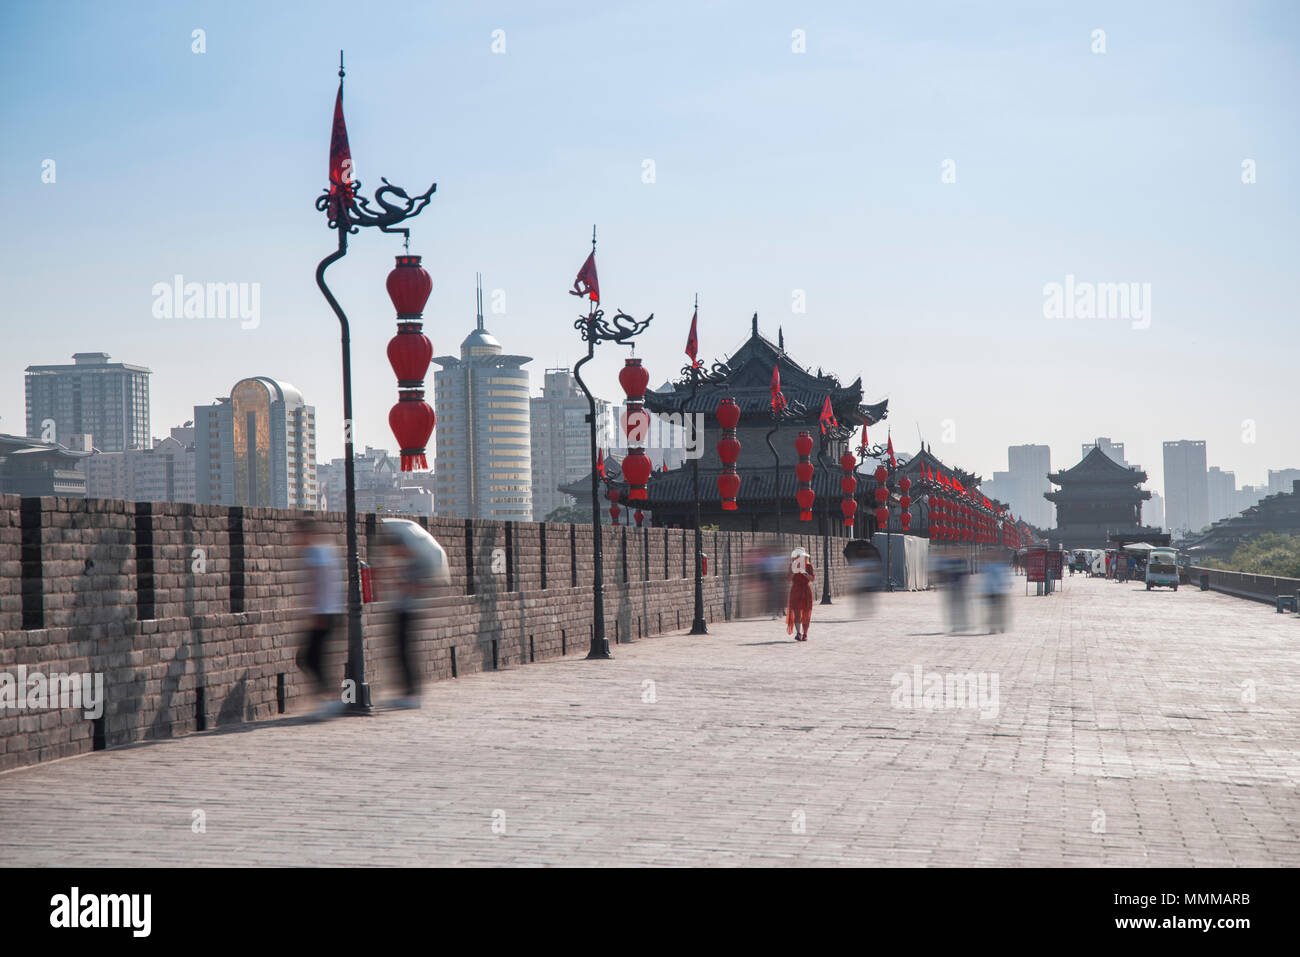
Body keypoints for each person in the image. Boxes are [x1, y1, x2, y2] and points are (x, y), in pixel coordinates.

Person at [296, 519, 346, 719]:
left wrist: (314, 612)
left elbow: (317, 584)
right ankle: (328, 700)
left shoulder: (315, 552)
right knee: (316, 657)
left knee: (308, 658)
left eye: (299, 534)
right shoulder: (327, 549)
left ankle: (329, 700)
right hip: (331, 612)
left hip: (323, 613)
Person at [786, 547, 815, 641]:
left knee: (806, 612)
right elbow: (788, 579)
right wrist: (794, 571)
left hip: (806, 590)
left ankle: (805, 633)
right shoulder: (792, 565)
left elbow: (812, 579)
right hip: (796, 590)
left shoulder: (809, 566)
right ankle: (798, 633)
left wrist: (804, 573)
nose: (800, 558)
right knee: (797, 612)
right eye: (799, 556)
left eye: (802, 556)